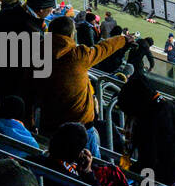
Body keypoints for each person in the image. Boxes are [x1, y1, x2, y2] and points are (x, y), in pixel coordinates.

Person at [35, 16, 131, 153]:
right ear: (71, 35)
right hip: (81, 128)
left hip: (48, 123)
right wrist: (124, 40)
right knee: (91, 167)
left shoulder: (36, 53)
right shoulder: (78, 56)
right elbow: (103, 48)